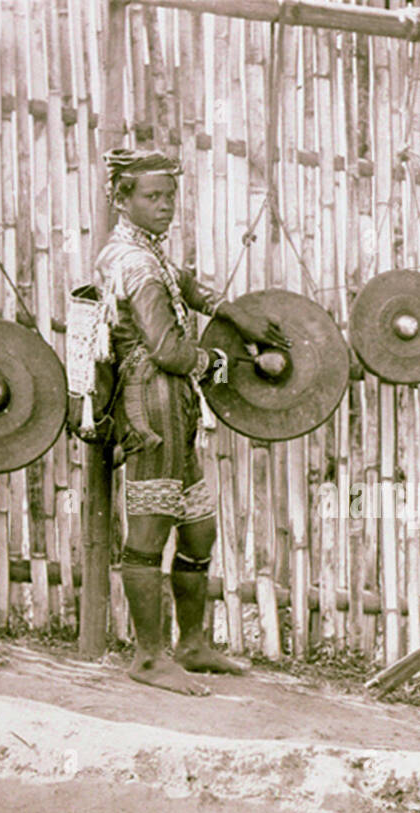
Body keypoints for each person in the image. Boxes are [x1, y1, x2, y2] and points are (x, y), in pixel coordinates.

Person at [96, 148, 285, 695]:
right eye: (152, 197)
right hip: (150, 400)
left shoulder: (144, 251)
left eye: (169, 196)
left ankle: (194, 643)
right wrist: (226, 362)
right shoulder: (133, 263)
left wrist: (231, 312)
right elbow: (169, 351)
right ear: (122, 199)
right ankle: (150, 657)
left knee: (198, 528)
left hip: (174, 401)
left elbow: (185, 284)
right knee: (150, 533)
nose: (165, 206)